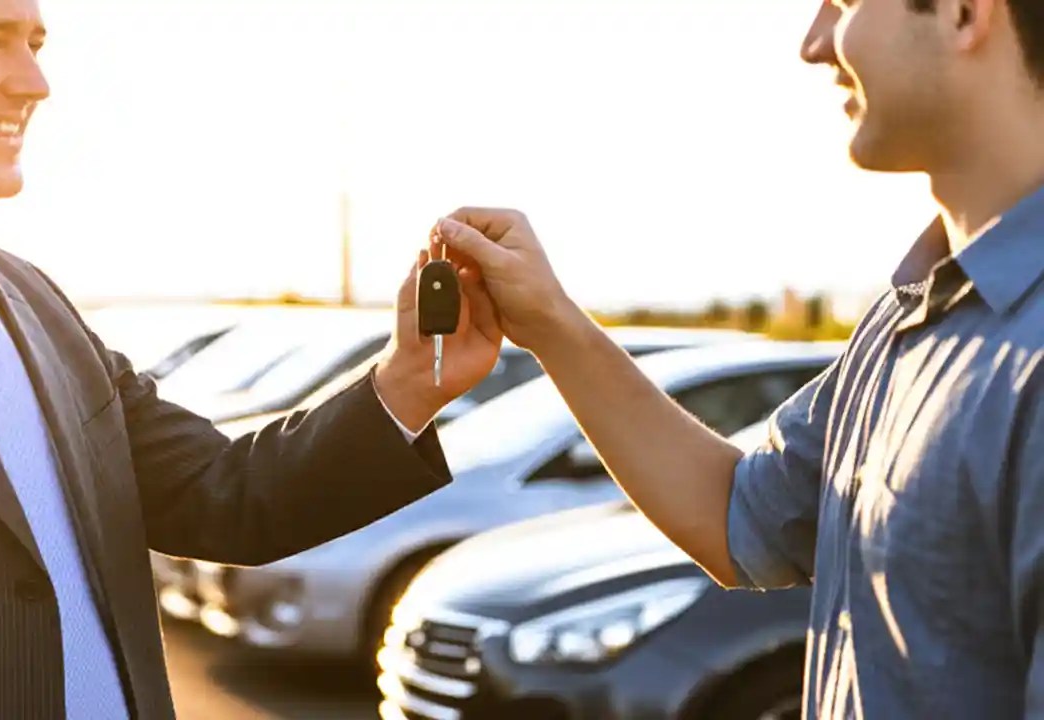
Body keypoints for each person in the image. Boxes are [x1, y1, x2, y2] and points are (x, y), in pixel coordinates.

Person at [0, 0, 503, 718]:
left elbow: (223, 493)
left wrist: (408, 380)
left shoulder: (33, 301)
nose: (34, 82)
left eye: (36, 44)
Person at [435, 0, 1044, 717]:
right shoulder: (908, 315)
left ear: (964, 12)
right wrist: (551, 324)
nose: (814, 45)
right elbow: (736, 513)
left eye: (843, 5)